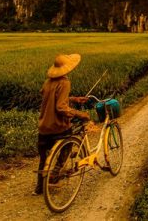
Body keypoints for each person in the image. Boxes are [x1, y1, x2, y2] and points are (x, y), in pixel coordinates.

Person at [33, 53, 90, 195]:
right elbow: (60, 107)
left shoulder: (47, 82)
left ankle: (39, 188)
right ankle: (56, 172)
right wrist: (79, 114)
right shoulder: (65, 82)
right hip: (58, 127)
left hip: (44, 127)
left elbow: (51, 97)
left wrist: (74, 99)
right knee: (69, 143)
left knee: (43, 158)